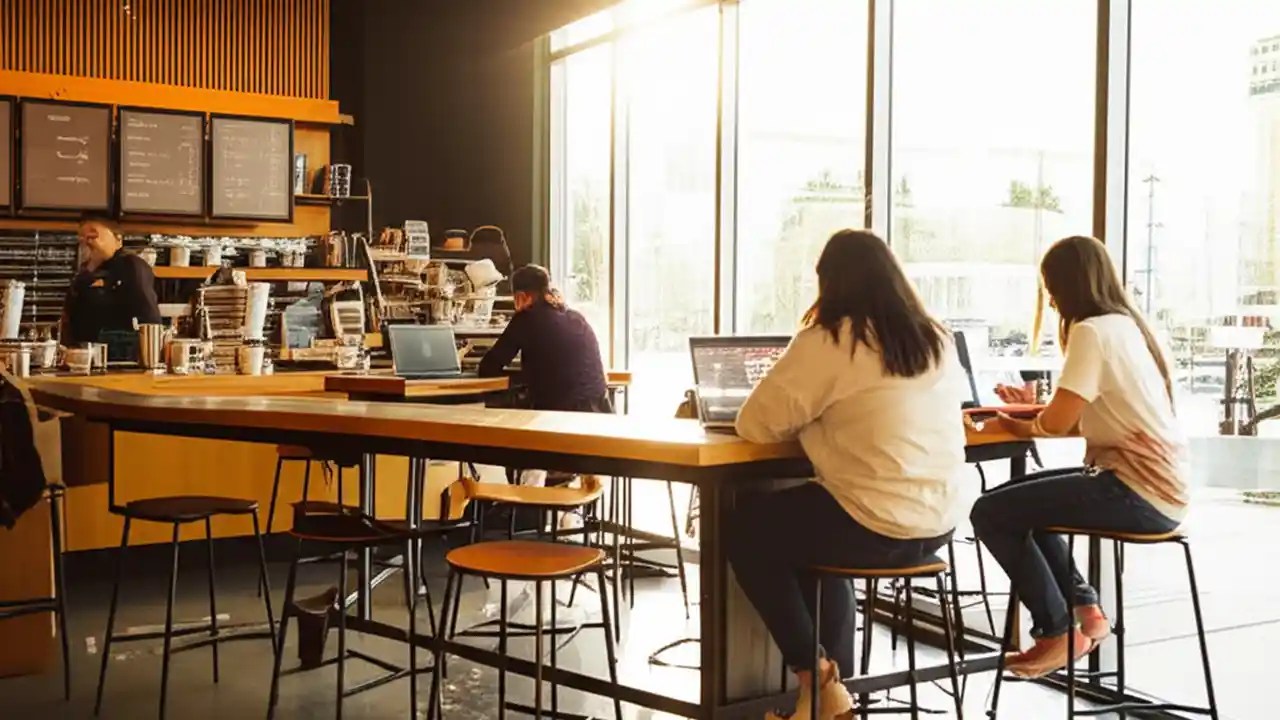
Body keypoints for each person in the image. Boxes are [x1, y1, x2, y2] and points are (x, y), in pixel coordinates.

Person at [726, 230, 968, 720]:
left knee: (747, 526)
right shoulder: (935, 337)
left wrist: (815, 417)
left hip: (872, 524)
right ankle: (836, 692)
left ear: (830, 283)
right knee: (817, 525)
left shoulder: (832, 339)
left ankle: (817, 679)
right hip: (938, 526)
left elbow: (754, 422)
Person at [970, 235, 1186, 679]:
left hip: (1135, 491)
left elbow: (1053, 425)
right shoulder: (1127, 326)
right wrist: (1030, 413)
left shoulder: (1092, 331)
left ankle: (1056, 631)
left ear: (1066, 286)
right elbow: (1078, 420)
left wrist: (1021, 422)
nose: (1050, 301)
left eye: (1051, 288)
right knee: (1016, 499)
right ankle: (1086, 612)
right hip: (1159, 489)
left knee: (990, 511)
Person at [479, 264, 608, 413]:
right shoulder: (575, 317)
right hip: (599, 413)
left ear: (522, 297)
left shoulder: (526, 319)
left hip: (560, 417)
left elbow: (488, 367)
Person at [60, 213, 160, 345]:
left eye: (93, 235)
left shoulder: (131, 265)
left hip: (118, 357)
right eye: (82, 237)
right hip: (82, 356)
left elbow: (150, 319)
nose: (86, 241)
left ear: (118, 239)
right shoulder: (84, 274)